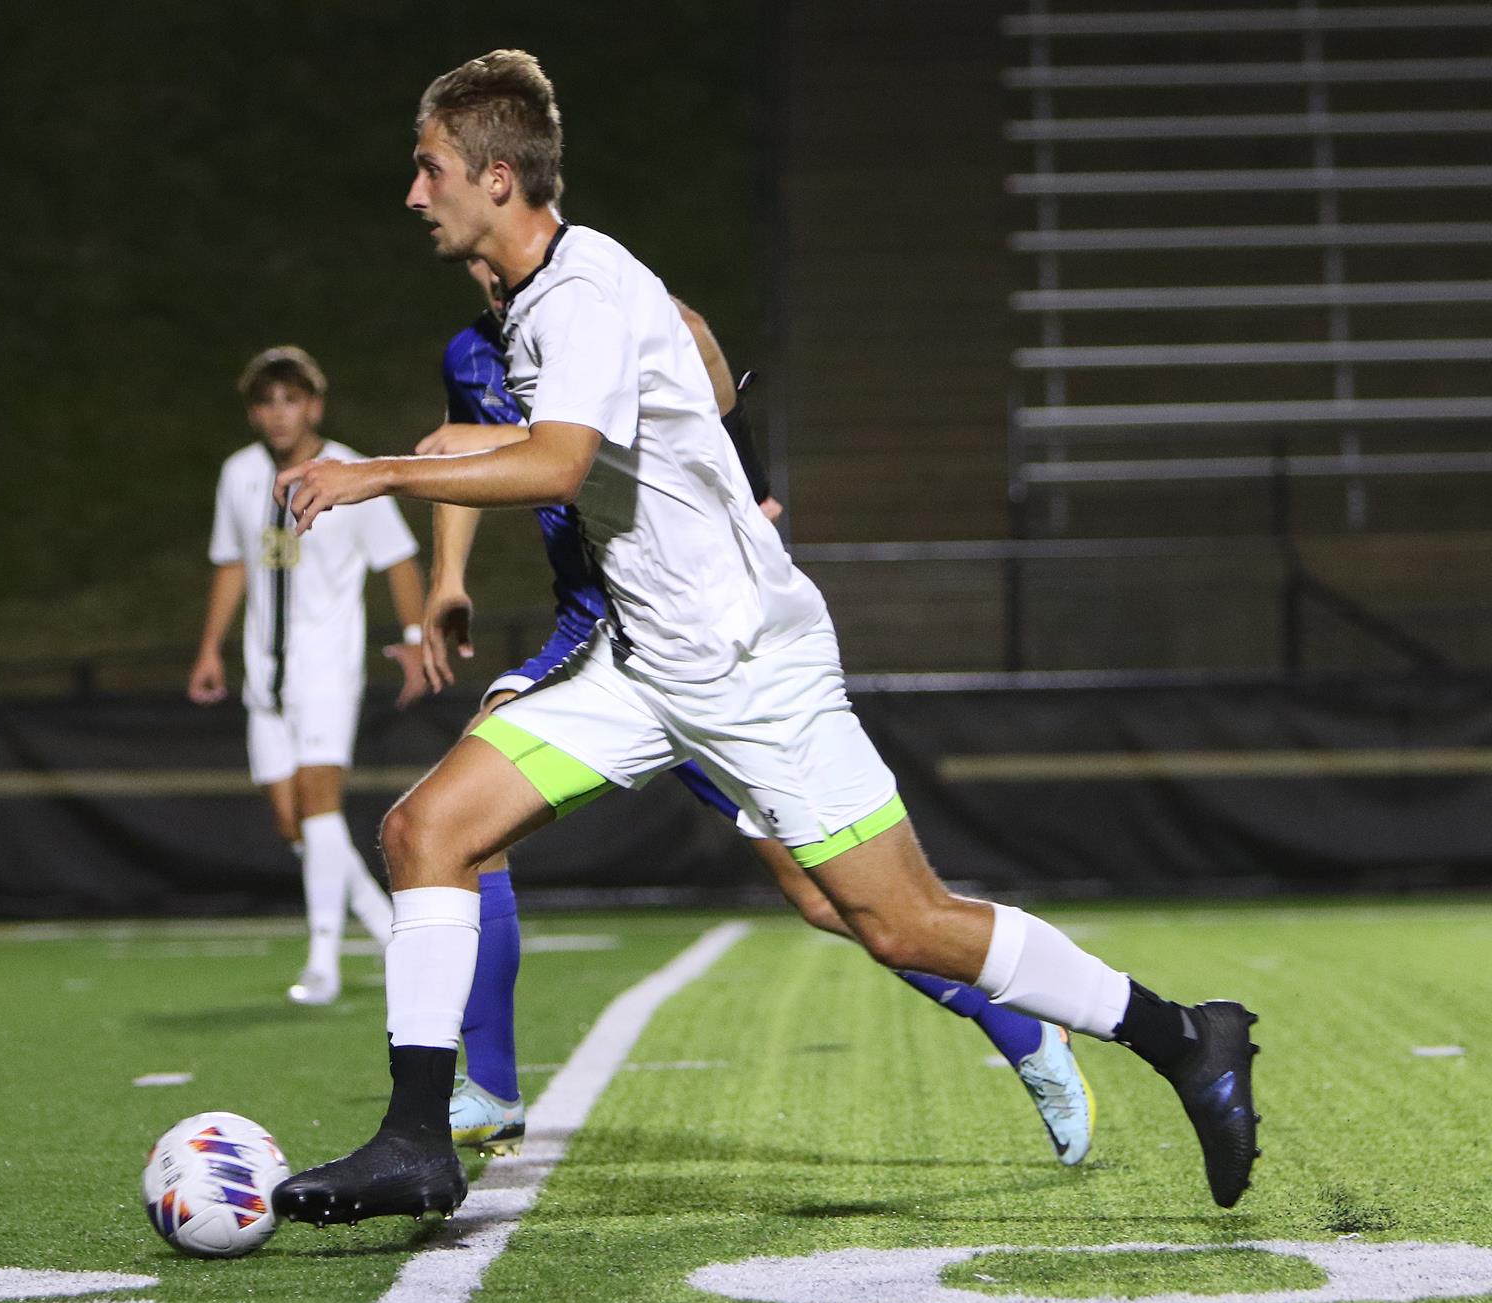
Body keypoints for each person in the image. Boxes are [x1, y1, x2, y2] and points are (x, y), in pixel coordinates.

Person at [270, 51, 1258, 1225]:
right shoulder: (538, 300)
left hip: (746, 668)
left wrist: (378, 470)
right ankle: (417, 1141)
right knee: (425, 830)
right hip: (641, 663)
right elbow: (643, 409)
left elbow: (561, 462)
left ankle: (1183, 1037)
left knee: (897, 920)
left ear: (495, 177)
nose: (411, 193)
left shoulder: (582, 291)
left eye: (428, 168)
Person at [422, 260, 1092, 1167]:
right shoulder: (472, 352)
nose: (481, 268)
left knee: (828, 897)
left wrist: (750, 474)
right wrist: (448, 580)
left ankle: (1025, 1029)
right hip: (595, 630)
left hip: (702, 637)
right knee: (460, 823)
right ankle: (493, 1087)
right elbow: (465, 459)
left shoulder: (597, 301)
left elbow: (680, 359)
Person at [190, 345, 429, 1006]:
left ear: (314, 406)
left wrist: (415, 638)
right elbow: (232, 562)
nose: (278, 413)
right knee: (292, 822)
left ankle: (324, 960)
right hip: (264, 672)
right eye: (266, 402)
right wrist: (210, 648)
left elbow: (398, 558)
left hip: (326, 666)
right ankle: (385, 925)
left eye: (291, 400)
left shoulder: (349, 472)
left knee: (320, 806)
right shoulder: (239, 474)